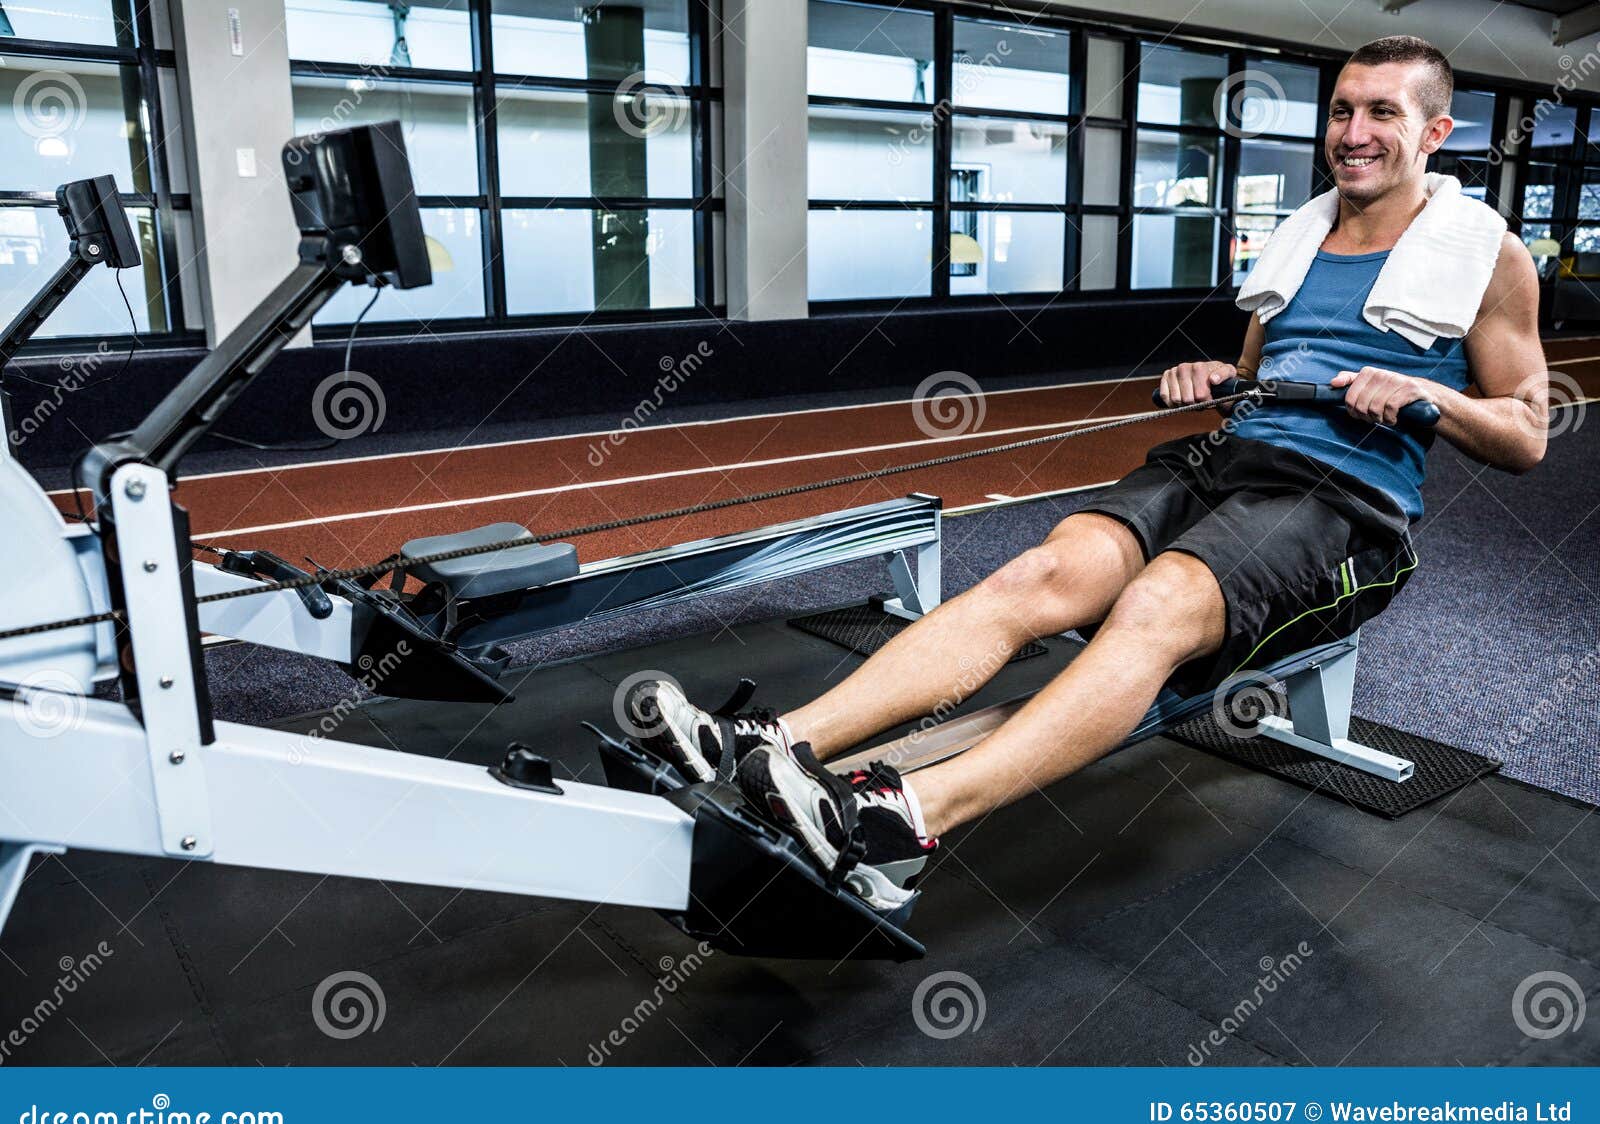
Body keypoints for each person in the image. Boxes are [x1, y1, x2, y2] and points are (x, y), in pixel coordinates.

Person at [627, 36, 1549, 912]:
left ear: (1434, 133)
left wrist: (1430, 394)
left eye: (1381, 113)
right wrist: (1217, 379)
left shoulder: (1486, 253)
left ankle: (905, 817)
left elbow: (1527, 432)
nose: (1352, 134)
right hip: (1232, 460)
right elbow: (1260, 378)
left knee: (1155, 604)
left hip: (1347, 506)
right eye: (1342, 110)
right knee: (1042, 573)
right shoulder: (1299, 237)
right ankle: (765, 740)